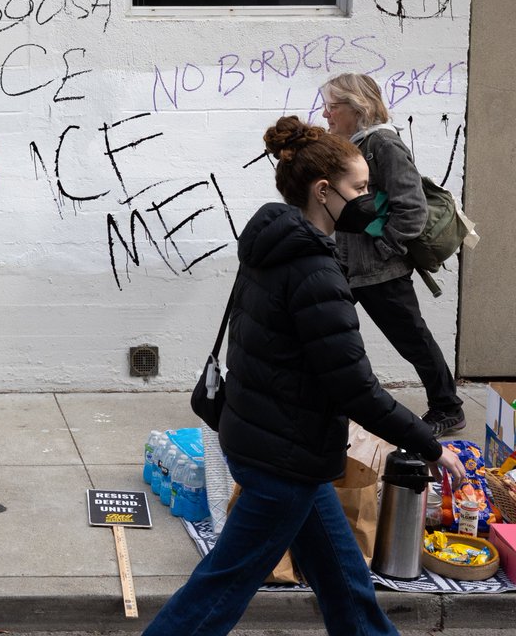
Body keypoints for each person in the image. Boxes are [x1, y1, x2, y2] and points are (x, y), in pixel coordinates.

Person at [142, 116, 465, 636]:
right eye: (360, 188)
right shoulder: (315, 271)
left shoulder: (274, 246)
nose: (369, 199)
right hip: (283, 463)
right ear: (323, 191)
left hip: (280, 447)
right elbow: (355, 388)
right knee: (217, 593)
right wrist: (430, 444)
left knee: (347, 588)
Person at [321, 72, 465, 436]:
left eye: (332, 106)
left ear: (357, 107)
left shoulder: (383, 145)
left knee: (413, 340)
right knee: (320, 330)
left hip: (380, 271)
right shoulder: (350, 146)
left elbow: (412, 209)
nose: (326, 114)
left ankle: (448, 407)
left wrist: (385, 249)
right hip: (345, 266)